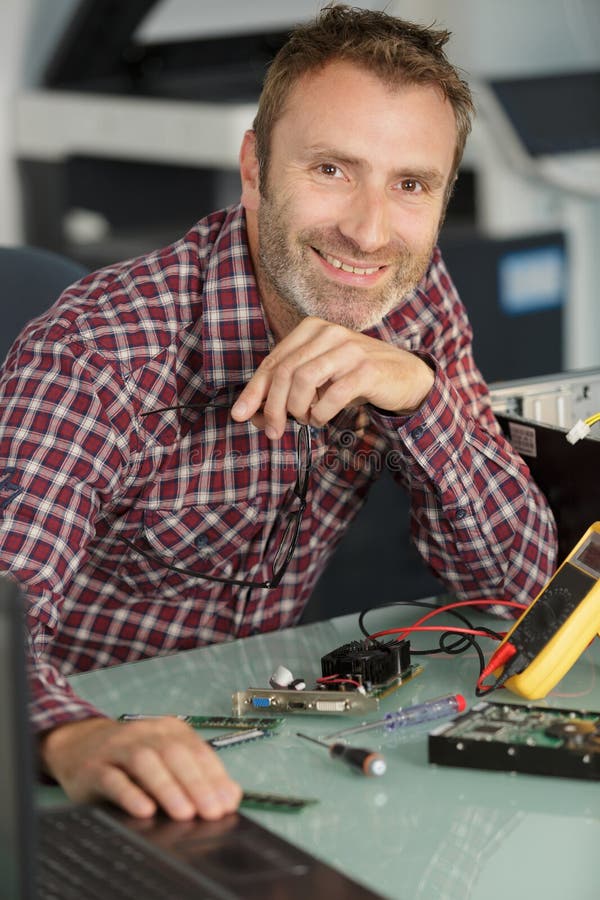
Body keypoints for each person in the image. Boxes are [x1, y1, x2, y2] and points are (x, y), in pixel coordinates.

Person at [0, 4, 556, 822]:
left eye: (411, 184)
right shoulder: (101, 354)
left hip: (252, 735)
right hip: (75, 768)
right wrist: (69, 737)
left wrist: (423, 402)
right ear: (255, 169)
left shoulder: (413, 300)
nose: (370, 233)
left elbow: (524, 595)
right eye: (332, 169)